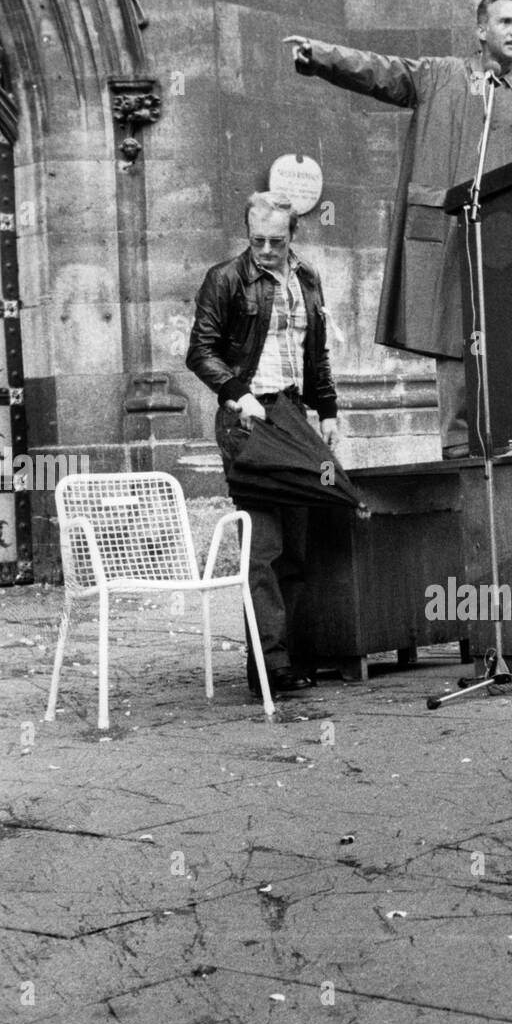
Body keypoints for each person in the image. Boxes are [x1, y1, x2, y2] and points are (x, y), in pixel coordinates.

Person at [285, 0, 512, 460]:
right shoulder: (438, 75)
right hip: (448, 229)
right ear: (480, 30)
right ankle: (457, 445)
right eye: (506, 21)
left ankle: (509, 437)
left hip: (505, 240)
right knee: (453, 333)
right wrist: (319, 55)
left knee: (505, 335)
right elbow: (377, 70)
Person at [186, 190, 339, 697]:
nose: (265, 251)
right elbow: (200, 351)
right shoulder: (226, 278)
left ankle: (289, 658)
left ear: (293, 235)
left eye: (276, 241)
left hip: (294, 417)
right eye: (257, 240)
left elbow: (316, 352)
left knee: (295, 547)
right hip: (249, 420)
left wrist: (330, 410)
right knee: (264, 549)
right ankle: (267, 668)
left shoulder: (308, 279)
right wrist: (236, 393)